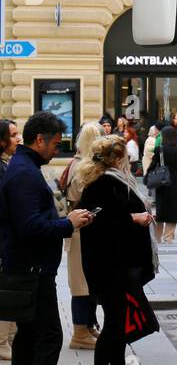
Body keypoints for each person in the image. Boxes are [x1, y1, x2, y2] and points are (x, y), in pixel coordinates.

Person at [0, 112, 94, 365]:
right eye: (55, 143)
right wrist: (68, 223)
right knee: (49, 338)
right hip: (33, 274)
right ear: (39, 139)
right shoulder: (25, 174)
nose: (58, 149)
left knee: (27, 340)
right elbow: (30, 228)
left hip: (30, 271)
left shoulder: (23, 168)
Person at [78, 136, 156, 365]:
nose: (130, 161)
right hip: (108, 266)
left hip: (119, 264)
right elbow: (98, 222)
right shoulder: (102, 184)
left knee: (119, 320)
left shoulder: (114, 180)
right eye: (126, 157)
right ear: (116, 159)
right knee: (114, 321)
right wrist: (133, 218)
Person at [63, 121, 104, 351]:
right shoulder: (83, 167)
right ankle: (80, 331)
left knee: (87, 283)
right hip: (81, 230)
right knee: (81, 285)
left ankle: (87, 326)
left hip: (81, 230)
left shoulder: (77, 164)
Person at [0, 118, 22, 362]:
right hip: (3, 238)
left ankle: (10, 337)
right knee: (5, 288)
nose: (18, 138)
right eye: (14, 134)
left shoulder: (6, 164)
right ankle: (1, 341)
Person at [152, 123, 177, 242]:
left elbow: (153, 165)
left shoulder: (159, 149)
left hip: (162, 181)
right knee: (173, 210)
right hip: (174, 182)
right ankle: (168, 237)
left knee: (161, 209)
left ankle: (157, 237)